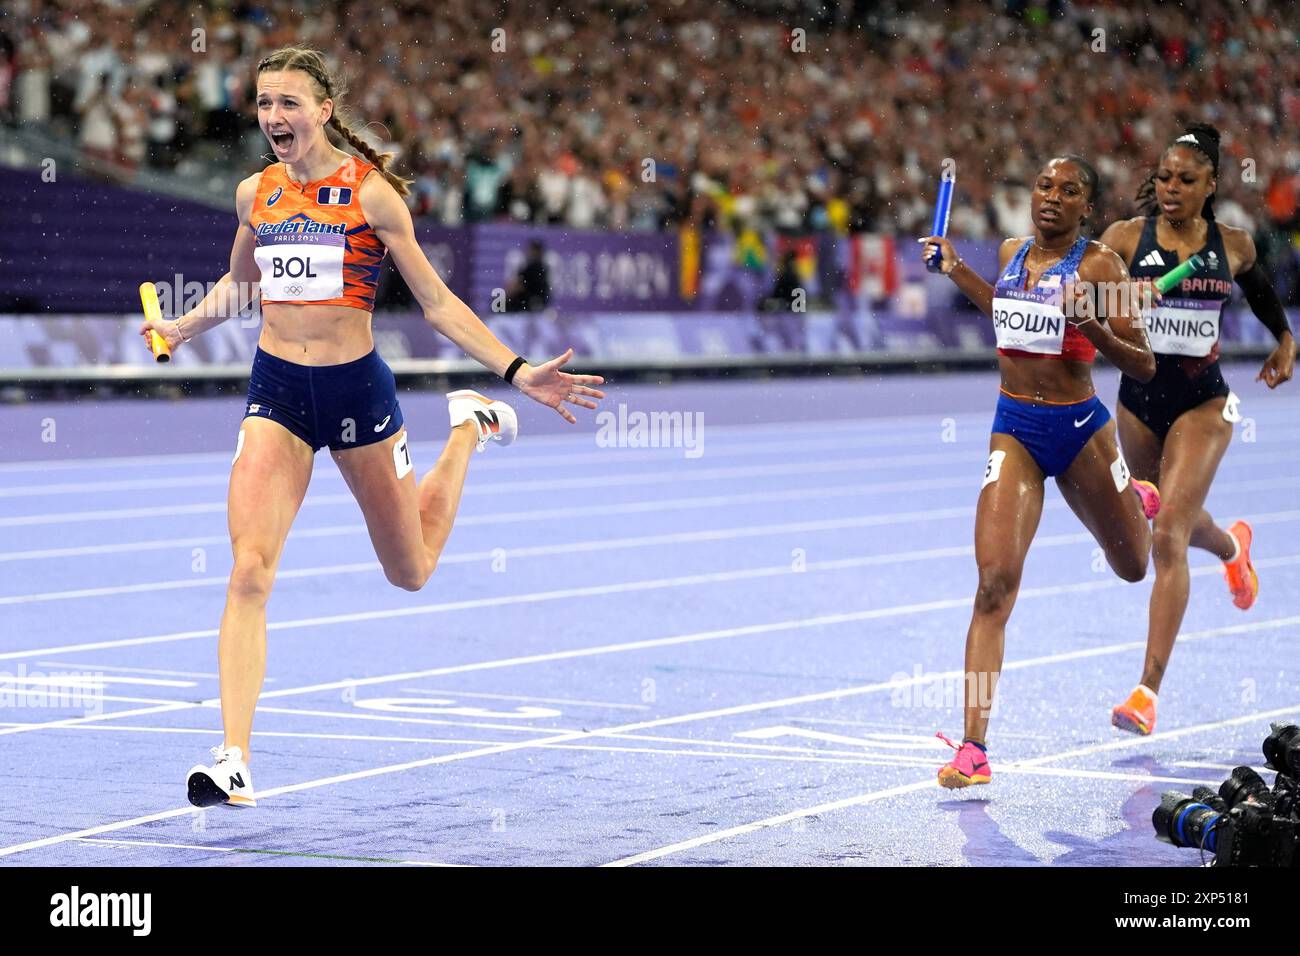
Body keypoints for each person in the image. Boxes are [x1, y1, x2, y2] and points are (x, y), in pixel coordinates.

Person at [138, 47, 605, 808]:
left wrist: (518, 373)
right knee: (249, 570)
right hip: (278, 394)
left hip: (357, 394)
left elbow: (438, 303)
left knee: (410, 570)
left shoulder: (373, 196)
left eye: (289, 102)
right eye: (263, 104)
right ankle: (233, 757)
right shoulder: (255, 194)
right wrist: (183, 329)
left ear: (324, 111)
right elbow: (243, 282)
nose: (274, 118)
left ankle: (468, 429)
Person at [921, 156, 1161, 789]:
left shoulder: (1101, 266)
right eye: (1045, 186)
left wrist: (1092, 326)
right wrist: (956, 268)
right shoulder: (1008, 252)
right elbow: (1003, 307)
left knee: (1134, 566)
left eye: (1070, 191)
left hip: (1081, 431)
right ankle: (974, 748)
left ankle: (1134, 496)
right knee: (993, 585)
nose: (1052, 197)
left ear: (1088, 208)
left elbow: (1144, 366)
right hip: (1016, 430)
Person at [1099, 124, 1295, 736]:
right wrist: (1116, 308)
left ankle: (1146, 693)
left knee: (1168, 537)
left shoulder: (1232, 244)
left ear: (1210, 185)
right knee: (1167, 521)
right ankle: (1235, 548)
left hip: (1203, 403)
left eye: (1186, 180)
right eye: (1163, 178)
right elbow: (1084, 311)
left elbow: (1264, 298)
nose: (1171, 188)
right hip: (1137, 402)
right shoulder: (1123, 240)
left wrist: (1286, 342)